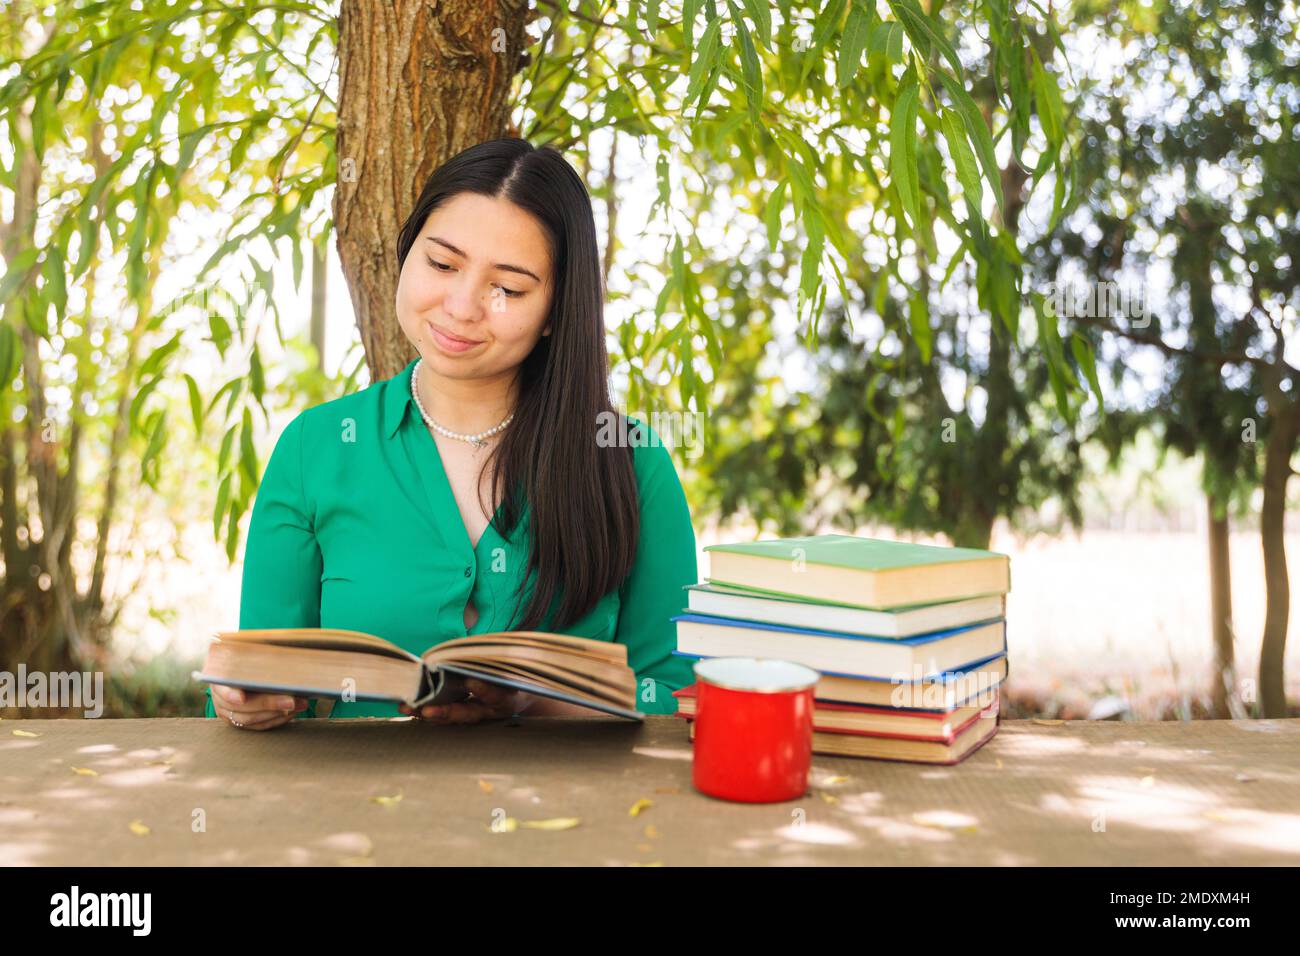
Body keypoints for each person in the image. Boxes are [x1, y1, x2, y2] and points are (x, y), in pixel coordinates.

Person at [205, 138, 697, 730]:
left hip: (575, 814)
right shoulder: (315, 448)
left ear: (556, 311)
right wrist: (246, 703)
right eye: (442, 264)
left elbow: (675, 694)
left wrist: (542, 702)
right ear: (407, 252)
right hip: (355, 812)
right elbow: (257, 686)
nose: (462, 306)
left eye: (508, 290)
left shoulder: (630, 462)